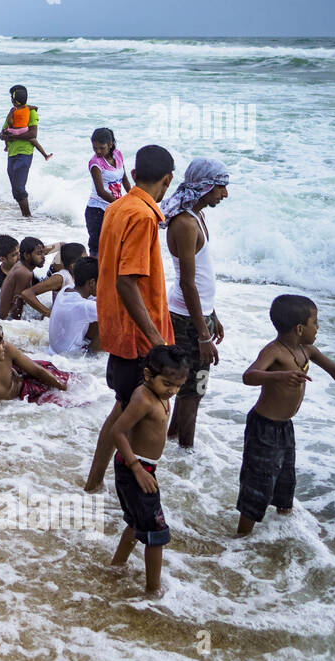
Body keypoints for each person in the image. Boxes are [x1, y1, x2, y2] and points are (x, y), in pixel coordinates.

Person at [236, 295, 335, 536]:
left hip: (285, 427)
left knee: (285, 481)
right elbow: (249, 376)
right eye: (315, 322)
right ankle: (241, 539)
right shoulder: (274, 351)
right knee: (257, 484)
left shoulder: (306, 349)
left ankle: (286, 532)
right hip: (264, 427)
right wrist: (277, 376)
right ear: (300, 328)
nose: (318, 327)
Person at [84, 145, 176, 493]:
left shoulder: (118, 206)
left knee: (123, 409)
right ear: (168, 181)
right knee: (133, 416)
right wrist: (157, 340)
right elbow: (127, 281)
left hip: (118, 328)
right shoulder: (142, 216)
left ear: (133, 176)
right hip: (138, 337)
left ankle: (95, 483)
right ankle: (131, 490)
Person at [109, 346, 191, 595]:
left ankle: (117, 565)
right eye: (167, 384)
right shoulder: (143, 399)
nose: (173, 391)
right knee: (157, 533)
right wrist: (137, 469)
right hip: (135, 467)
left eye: (178, 386)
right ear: (147, 375)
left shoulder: (161, 395)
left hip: (143, 467)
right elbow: (117, 431)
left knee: (136, 522)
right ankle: (153, 590)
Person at [162, 157, 231, 449]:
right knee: (194, 389)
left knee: (190, 387)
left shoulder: (196, 216)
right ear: (204, 186)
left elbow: (200, 277)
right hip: (187, 320)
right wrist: (203, 334)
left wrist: (212, 312)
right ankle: (186, 453)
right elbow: (187, 283)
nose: (224, 195)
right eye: (220, 188)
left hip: (196, 315)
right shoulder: (186, 223)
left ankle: (175, 439)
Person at [0, 84, 48, 216]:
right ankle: (25, 218)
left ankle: (27, 217)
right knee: (15, 190)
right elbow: (1, 132)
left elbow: (33, 134)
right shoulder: (12, 112)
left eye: (12, 97)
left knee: (19, 188)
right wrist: (4, 135)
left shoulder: (31, 113)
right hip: (11, 153)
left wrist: (14, 135)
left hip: (25, 153)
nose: (11, 100)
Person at [85, 127, 131, 255]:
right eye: (95, 148)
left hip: (114, 208)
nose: (98, 151)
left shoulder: (118, 155)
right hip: (97, 211)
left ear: (110, 144)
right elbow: (100, 191)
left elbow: (125, 180)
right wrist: (121, 204)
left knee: (116, 246)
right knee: (98, 249)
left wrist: (134, 198)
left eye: (101, 148)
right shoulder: (95, 163)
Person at [18, 242, 87, 318]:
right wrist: (48, 313)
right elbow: (26, 294)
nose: (88, 261)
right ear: (73, 266)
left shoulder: (79, 274)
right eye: (85, 259)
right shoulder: (61, 277)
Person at [48, 256, 101, 355]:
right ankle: (94, 357)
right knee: (107, 322)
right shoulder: (84, 306)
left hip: (53, 352)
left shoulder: (67, 289)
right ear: (92, 283)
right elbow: (115, 313)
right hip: (71, 358)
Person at [0, 236, 49, 319]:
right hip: (8, 319)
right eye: (39, 254)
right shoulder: (24, 273)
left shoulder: (21, 266)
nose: (43, 257)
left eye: (44, 253)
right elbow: (18, 302)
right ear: (26, 255)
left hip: (6, 315)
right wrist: (18, 326)